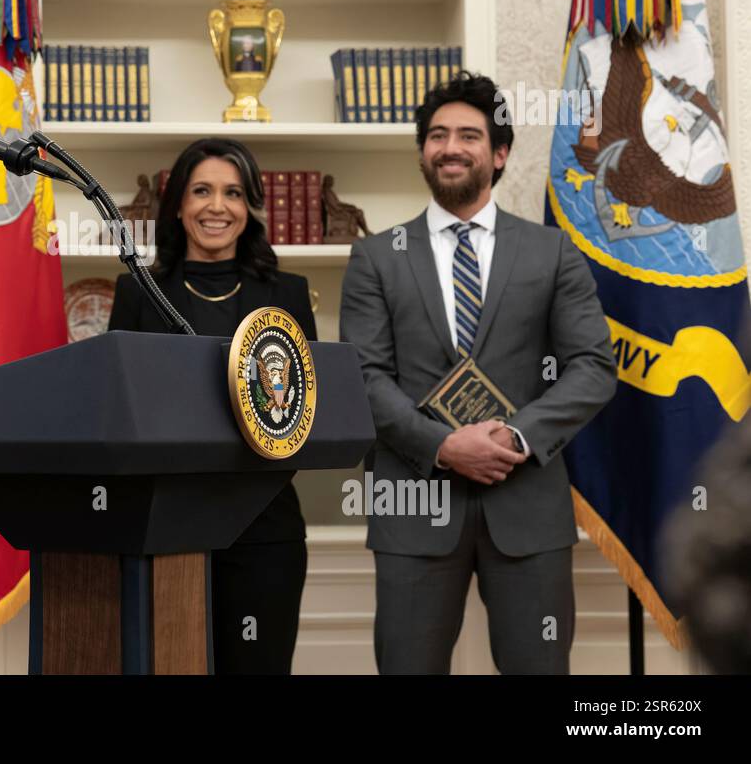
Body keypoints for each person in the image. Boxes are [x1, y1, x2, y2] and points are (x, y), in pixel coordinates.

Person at [339, 70, 616, 674]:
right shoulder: (376, 257)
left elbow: (592, 367)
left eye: (469, 134)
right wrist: (444, 446)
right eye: (436, 135)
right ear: (422, 154)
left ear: (499, 154)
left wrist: (516, 437)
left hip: (529, 507)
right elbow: (364, 378)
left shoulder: (553, 252)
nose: (450, 147)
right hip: (413, 506)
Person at [107, 137, 315, 674]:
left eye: (233, 193)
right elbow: (118, 415)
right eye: (201, 191)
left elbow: (305, 412)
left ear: (250, 208)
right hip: (166, 527)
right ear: (178, 204)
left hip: (266, 531)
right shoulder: (139, 293)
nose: (217, 207)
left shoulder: (289, 295)